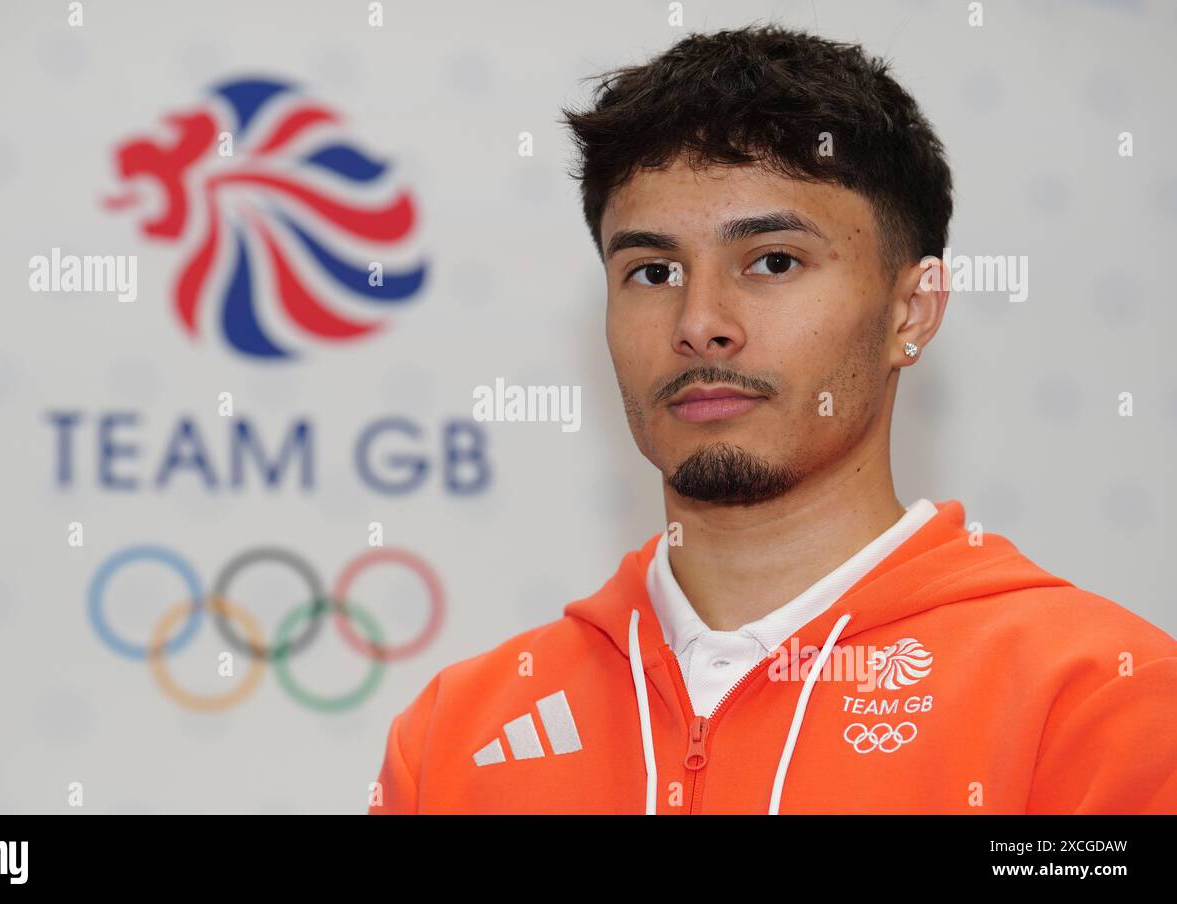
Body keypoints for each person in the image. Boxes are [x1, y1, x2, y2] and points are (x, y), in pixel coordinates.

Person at [367, 24, 1177, 814]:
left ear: (912, 310)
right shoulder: (456, 737)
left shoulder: (1099, 699)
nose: (700, 321)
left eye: (773, 261)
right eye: (652, 271)